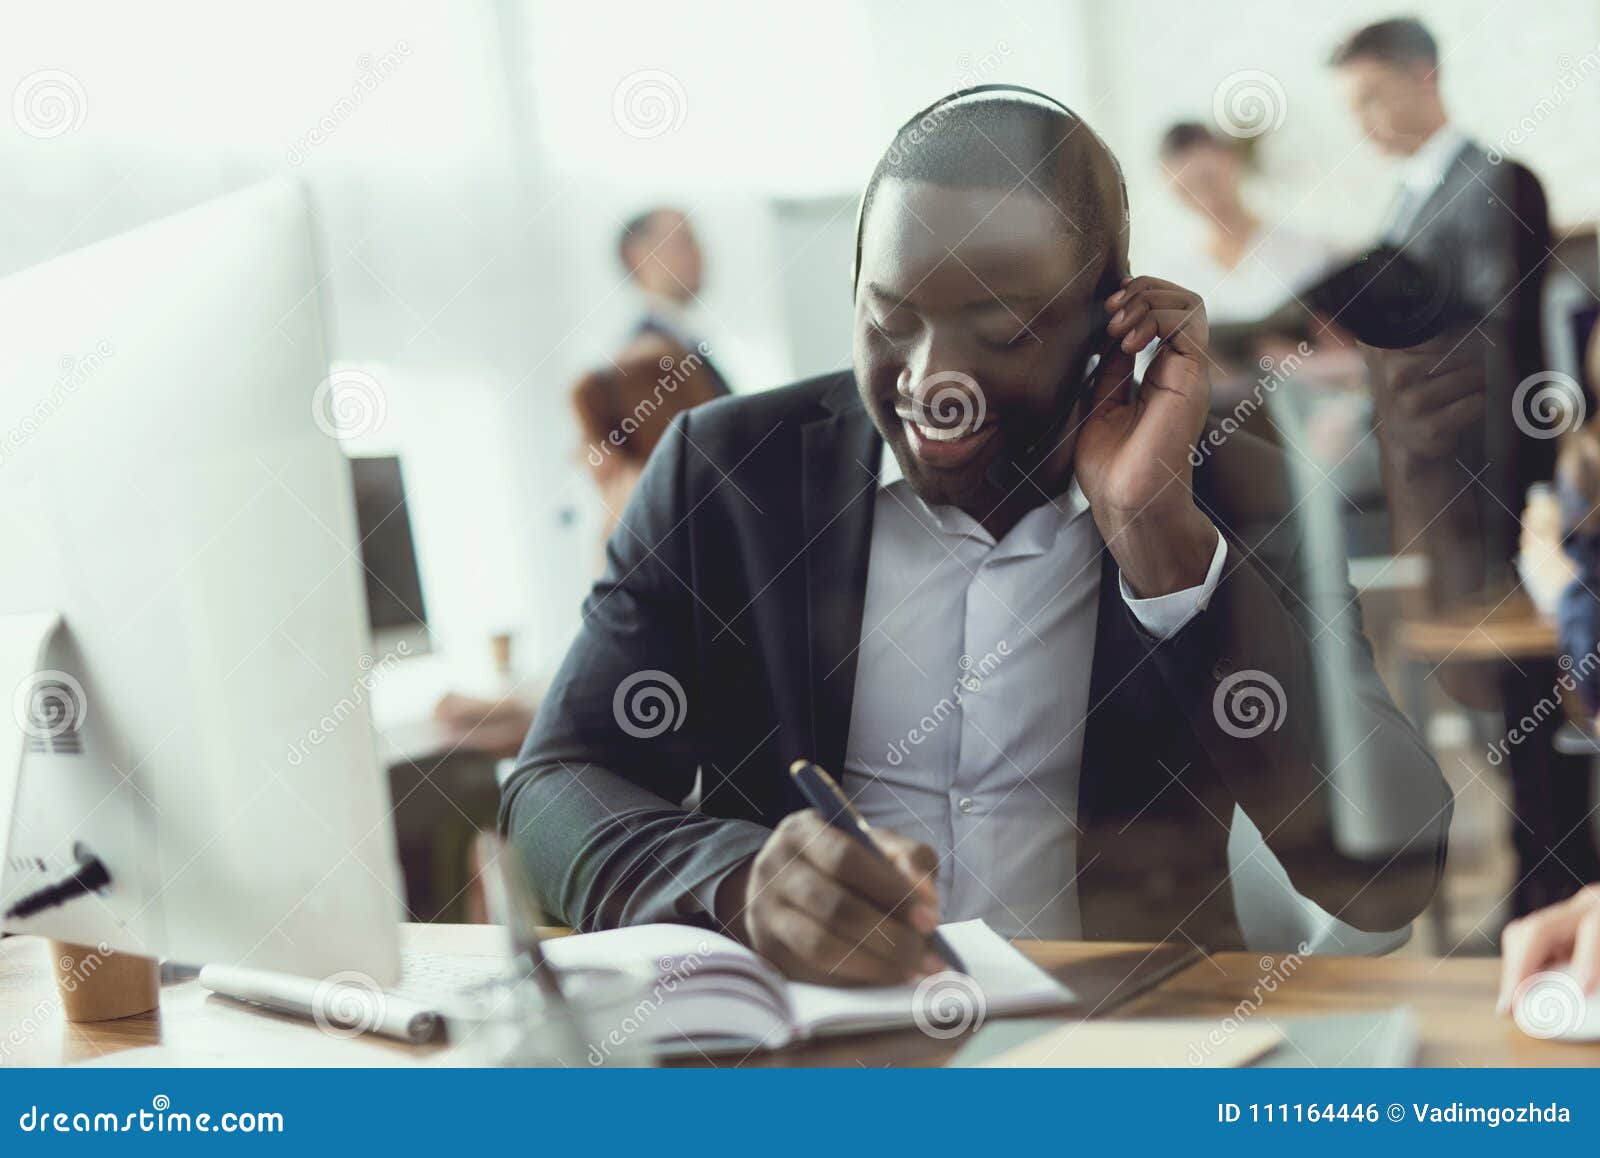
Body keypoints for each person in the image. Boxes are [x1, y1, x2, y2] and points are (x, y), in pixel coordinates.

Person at [501, 88, 1452, 985]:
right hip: (834, 1058)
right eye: (891, 319)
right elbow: (556, 784)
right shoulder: (729, 471)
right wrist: (738, 880)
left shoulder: (1223, 473)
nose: (931, 380)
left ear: (1108, 322)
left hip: (1124, 1052)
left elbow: (1391, 869)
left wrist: (1162, 546)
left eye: (1000, 330)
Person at [1153, 122, 1333, 324]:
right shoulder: (1178, 278)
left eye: (1208, 179)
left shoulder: (1307, 249)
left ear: (1231, 159)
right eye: (1186, 190)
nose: (1204, 200)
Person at [617, 207, 733, 397]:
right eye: (684, 242)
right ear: (638, 256)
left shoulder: (683, 339)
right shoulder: (641, 360)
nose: (699, 253)